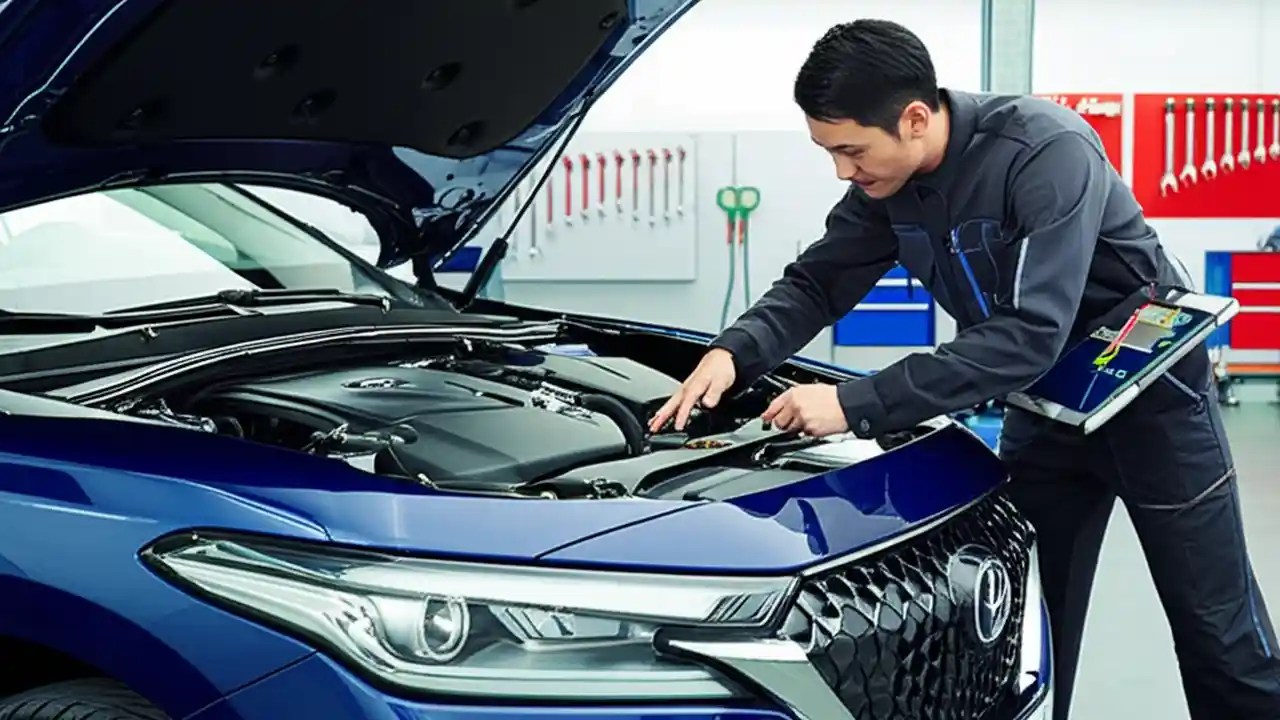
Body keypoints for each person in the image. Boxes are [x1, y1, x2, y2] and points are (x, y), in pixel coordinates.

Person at [647, 18, 1280, 720]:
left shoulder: (1047, 151)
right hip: (1045, 410)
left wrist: (853, 402)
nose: (843, 172)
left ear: (915, 118)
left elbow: (1030, 333)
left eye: (852, 150)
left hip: (1152, 402)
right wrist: (735, 350)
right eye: (829, 152)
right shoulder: (887, 189)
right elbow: (817, 283)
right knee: (1019, 626)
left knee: (1216, 628)